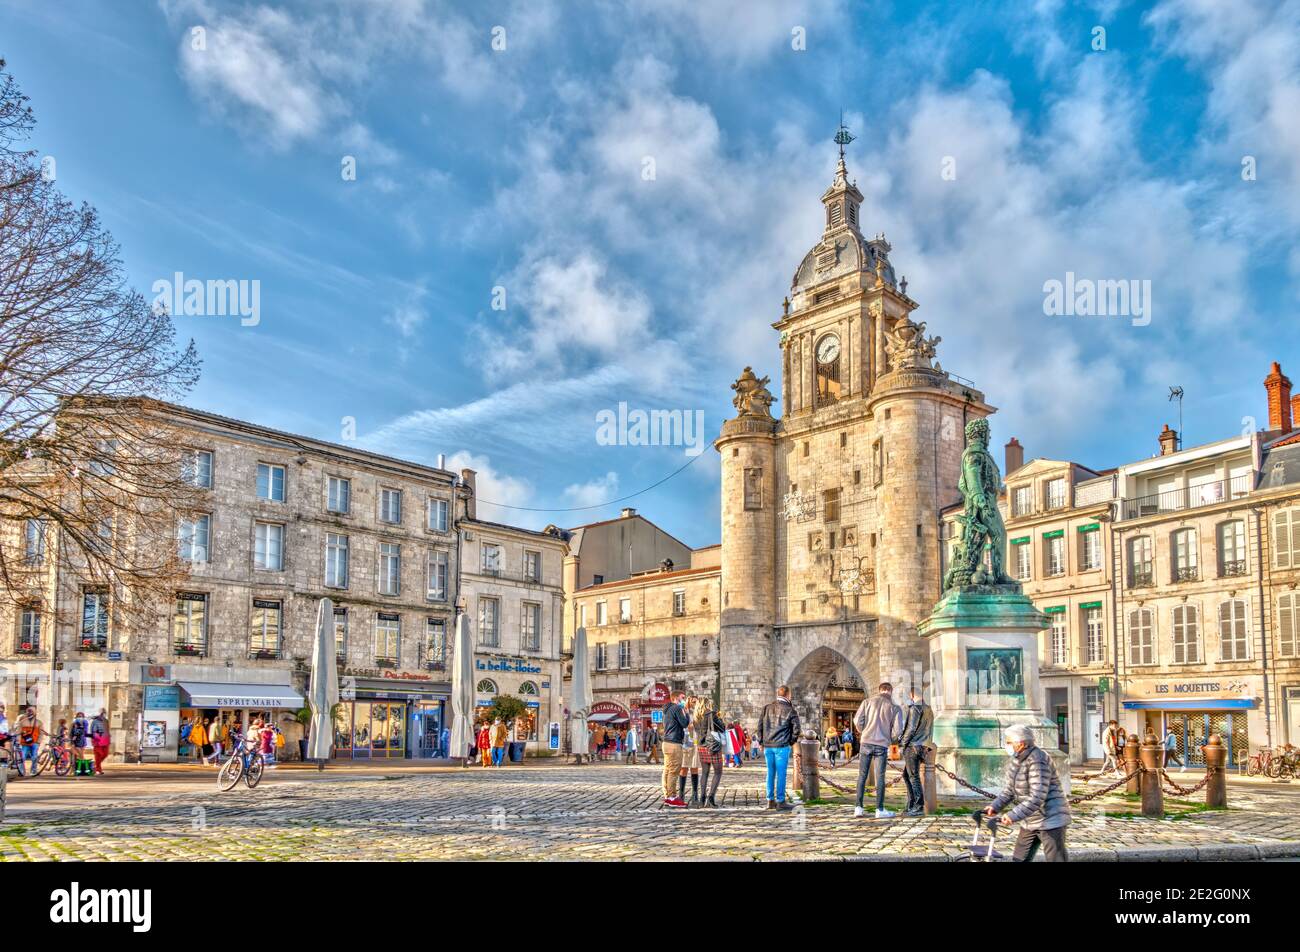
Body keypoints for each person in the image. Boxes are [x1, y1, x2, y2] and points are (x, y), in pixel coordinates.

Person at [984, 724, 1071, 862]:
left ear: (1021, 744)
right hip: (1031, 818)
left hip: (1050, 818)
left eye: (1009, 742)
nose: (1007, 745)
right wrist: (995, 806)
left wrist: (1013, 815)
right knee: (1019, 858)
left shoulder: (1038, 760)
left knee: (1056, 859)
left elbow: (1037, 797)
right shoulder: (1018, 759)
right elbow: (1010, 790)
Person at [853, 682, 902, 819]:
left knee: (862, 775)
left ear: (880, 690)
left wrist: (864, 732)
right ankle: (879, 809)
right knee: (880, 776)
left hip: (866, 742)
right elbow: (898, 730)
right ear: (890, 691)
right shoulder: (895, 707)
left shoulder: (867, 702)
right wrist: (889, 738)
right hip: (882, 744)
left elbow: (857, 720)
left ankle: (858, 808)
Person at [757, 685, 801, 811]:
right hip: (782, 746)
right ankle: (780, 801)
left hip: (768, 746)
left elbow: (759, 726)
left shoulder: (766, 708)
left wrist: (761, 741)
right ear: (788, 695)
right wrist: (791, 741)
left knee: (770, 773)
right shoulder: (790, 710)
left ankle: (770, 800)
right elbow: (797, 729)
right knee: (781, 774)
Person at [898, 685, 934, 817]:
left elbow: (911, 728)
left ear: (912, 695)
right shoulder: (929, 709)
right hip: (923, 745)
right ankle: (911, 804)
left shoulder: (915, 708)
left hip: (913, 745)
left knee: (913, 776)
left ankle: (918, 806)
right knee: (907, 775)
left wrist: (903, 742)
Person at [692, 696, 727, 808]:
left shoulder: (695, 717)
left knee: (705, 773)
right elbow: (722, 728)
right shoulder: (711, 714)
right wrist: (720, 718)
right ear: (707, 704)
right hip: (713, 746)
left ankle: (702, 798)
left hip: (701, 747)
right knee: (718, 772)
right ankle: (711, 798)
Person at [660, 691, 691, 807]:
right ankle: (672, 797)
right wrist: (686, 713)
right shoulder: (677, 708)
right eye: (682, 698)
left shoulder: (667, 709)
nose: (684, 700)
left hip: (666, 743)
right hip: (674, 743)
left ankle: (667, 795)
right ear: (676, 698)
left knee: (667, 769)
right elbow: (684, 724)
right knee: (674, 770)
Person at [17, 706, 43, 776]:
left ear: (34, 713)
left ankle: (33, 771)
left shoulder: (39, 722)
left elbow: (41, 733)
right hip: (24, 743)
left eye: (31, 711)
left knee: (34, 757)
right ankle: (22, 771)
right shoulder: (22, 722)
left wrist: (38, 741)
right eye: (28, 711)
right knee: (23, 757)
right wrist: (19, 741)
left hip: (35, 742)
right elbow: (18, 733)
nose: (29, 713)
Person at [90, 708, 110, 774]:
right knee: (98, 755)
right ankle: (98, 769)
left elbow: (107, 730)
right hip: (97, 740)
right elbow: (92, 730)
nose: (103, 713)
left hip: (105, 740)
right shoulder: (95, 721)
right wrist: (93, 739)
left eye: (104, 712)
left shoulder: (106, 720)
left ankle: (94, 766)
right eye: (102, 712)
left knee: (105, 754)